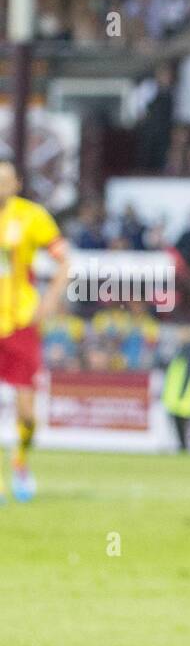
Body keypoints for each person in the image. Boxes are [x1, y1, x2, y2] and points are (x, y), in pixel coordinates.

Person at [0, 160, 69, 502]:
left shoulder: (31, 217)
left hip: (20, 323)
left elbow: (65, 260)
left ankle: (21, 462)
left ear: (17, 184)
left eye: (5, 181)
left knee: (27, 411)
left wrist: (51, 300)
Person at [161, 327, 190, 451]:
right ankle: (182, 446)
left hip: (183, 397)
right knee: (178, 424)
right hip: (177, 397)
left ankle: (183, 447)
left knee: (181, 425)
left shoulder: (189, 352)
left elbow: (189, 374)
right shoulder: (183, 351)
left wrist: (182, 392)